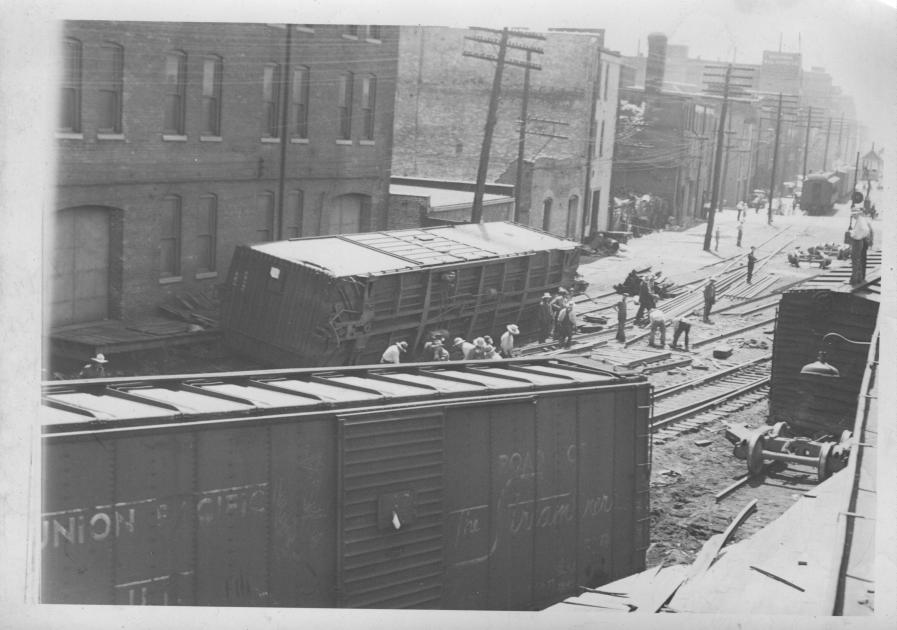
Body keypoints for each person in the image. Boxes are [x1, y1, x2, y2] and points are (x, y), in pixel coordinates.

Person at [848, 209, 873, 284]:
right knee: (858, 260)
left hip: (857, 241)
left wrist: (852, 233)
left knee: (855, 260)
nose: (853, 216)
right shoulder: (861, 220)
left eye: (853, 215)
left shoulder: (860, 221)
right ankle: (859, 278)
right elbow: (866, 230)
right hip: (860, 241)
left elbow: (862, 231)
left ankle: (854, 279)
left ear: (856, 214)